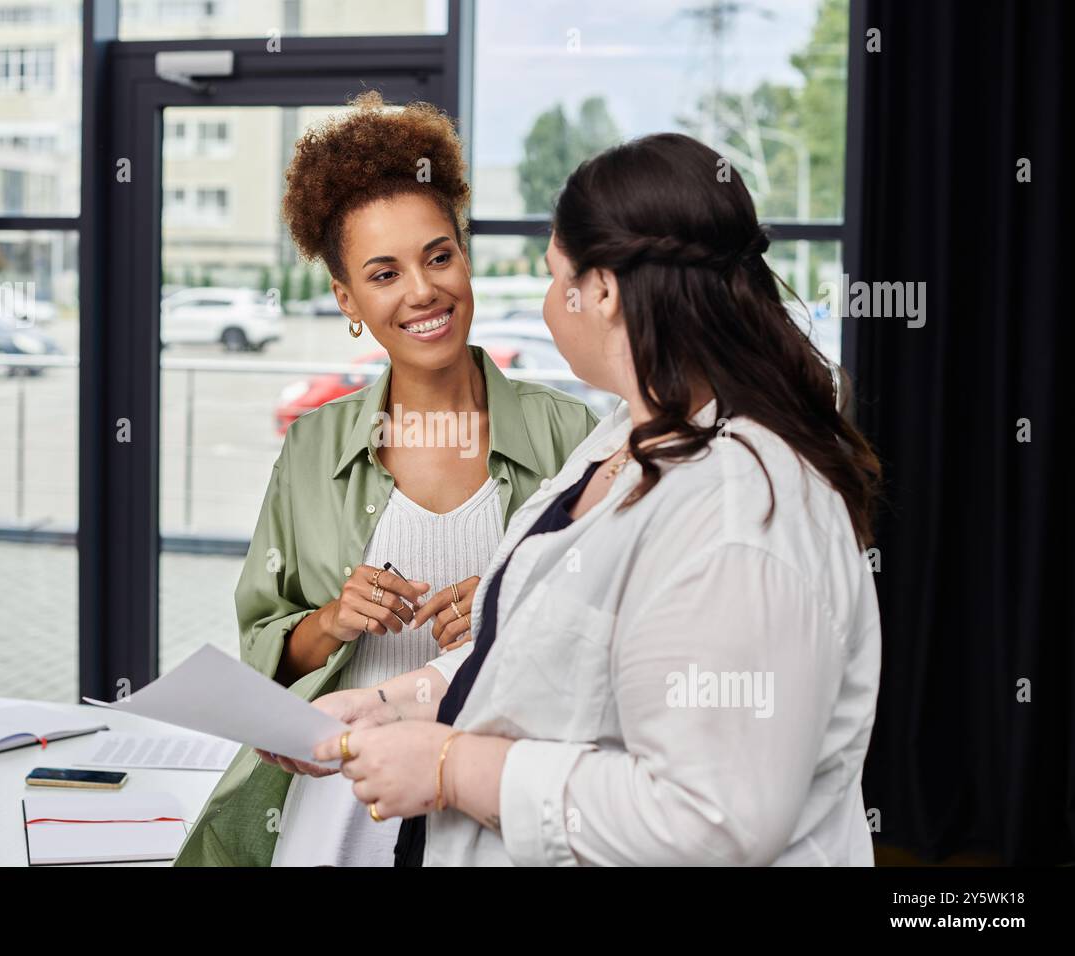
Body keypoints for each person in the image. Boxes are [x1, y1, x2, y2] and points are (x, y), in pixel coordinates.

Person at [305, 132, 884, 866]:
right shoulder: (618, 438)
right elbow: (539, 657)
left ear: (602, 291)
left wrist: (452, 768)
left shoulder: (743, 516)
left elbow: (712, 819)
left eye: (554, 277)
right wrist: (393, 703)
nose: (547, 302)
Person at [173, 92, 598, 867]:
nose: (422, 292)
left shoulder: (569, 434)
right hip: (343, 805)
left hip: (495, 794)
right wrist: (334, 618)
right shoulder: (313, 449)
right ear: (348, 300)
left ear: (464, 257)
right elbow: (270, 649)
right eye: (383, 273)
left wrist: (509, 611)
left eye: (439, 255)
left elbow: (605, 625)